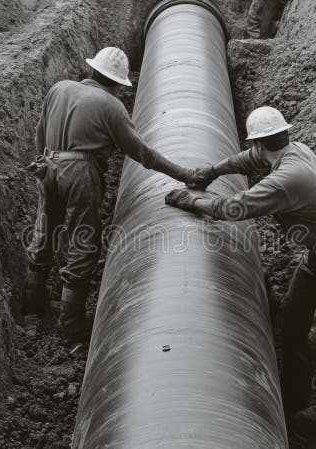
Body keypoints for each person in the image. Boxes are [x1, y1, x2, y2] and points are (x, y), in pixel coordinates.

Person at [164, 106, 316, 435]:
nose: (256, 151)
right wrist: (211, 171)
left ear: (261, 141)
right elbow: (247, 159)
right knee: (292, 317)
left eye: (257, 144)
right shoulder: (291, 149)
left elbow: (232, 207)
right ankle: (292, 396)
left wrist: (190, 201)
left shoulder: (287, 178)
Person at [23, 47, 210, 342]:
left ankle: (32, 305)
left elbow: (39, 131)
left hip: (47, 164)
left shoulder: (59, 89)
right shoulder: (110, 106)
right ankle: (69, 326)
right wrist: (184, 174)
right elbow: (143, 154)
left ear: (93, 70)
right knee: (83, 242)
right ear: (117, 84)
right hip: (80, 173)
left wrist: (46, 163)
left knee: (44, 231)